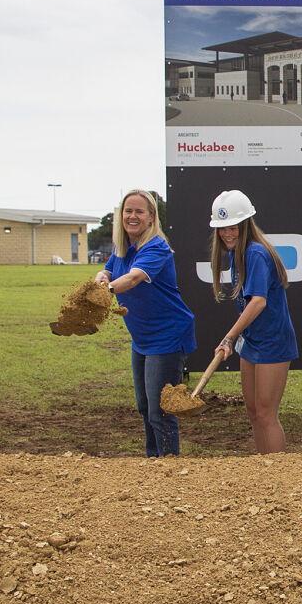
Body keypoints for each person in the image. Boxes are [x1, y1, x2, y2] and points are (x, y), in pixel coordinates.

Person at [98, 188, 197, 457]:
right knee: (144, 406)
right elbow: (108, 270)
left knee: (160, 409)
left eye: (139, 211)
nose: (132, 216)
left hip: (167, 336)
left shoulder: (156, 247)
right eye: (128, 211)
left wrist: (102, 294)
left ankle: (168, 466)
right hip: (141, 338)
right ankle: (153, 461)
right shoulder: (122, 247)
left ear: (151, 217)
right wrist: (100, 279)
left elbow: (132, 279)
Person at [207, 190, 298, 454]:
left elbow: (258, 301)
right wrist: (236, 337)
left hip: (273, 341)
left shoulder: (256, 253)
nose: (227, 233)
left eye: (232, 227)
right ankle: (262, 471)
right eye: (222, 228)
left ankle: (277, 474)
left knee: (267, 413)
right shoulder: (238, 254)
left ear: (245, 224)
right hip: (252, 341)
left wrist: (229, 337)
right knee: (254, 411)